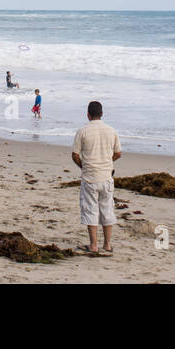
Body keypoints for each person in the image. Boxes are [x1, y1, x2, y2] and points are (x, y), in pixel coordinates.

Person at [72, 101, 121, 255]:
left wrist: (83, 165)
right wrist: (107, 162)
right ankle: (107, 244)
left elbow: (75, 155)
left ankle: (93, 245)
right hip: (106, 176)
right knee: (107, 209)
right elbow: (118, 153)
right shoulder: (111, 130)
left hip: (89, 177)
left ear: (88, 114)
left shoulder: (82, 131)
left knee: (90, 210)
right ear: (102, 114)